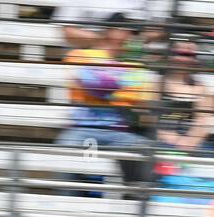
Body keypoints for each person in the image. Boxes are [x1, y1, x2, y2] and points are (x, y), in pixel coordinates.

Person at [56, 13, 157, 191]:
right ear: (112, 31)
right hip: (86, 131)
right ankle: (73, 210)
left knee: (144, 150)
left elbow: (143, 97)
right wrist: (122, 91)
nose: (133, 36)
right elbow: (90, 84)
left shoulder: (136, 66)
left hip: (120, 134)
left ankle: (133, 206)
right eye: (129, 31)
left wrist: (107, 90)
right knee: (77, 159)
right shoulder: (80, 55)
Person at [157, 40, 214, 153]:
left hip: (193, 143)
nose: (185, 59)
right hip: (161, 140)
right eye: (181, 54)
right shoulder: (157, 85)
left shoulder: (203, 89)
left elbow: (204, 121)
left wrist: (190, 142)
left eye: (190, 55)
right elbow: (151, 119)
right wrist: (173, 139)